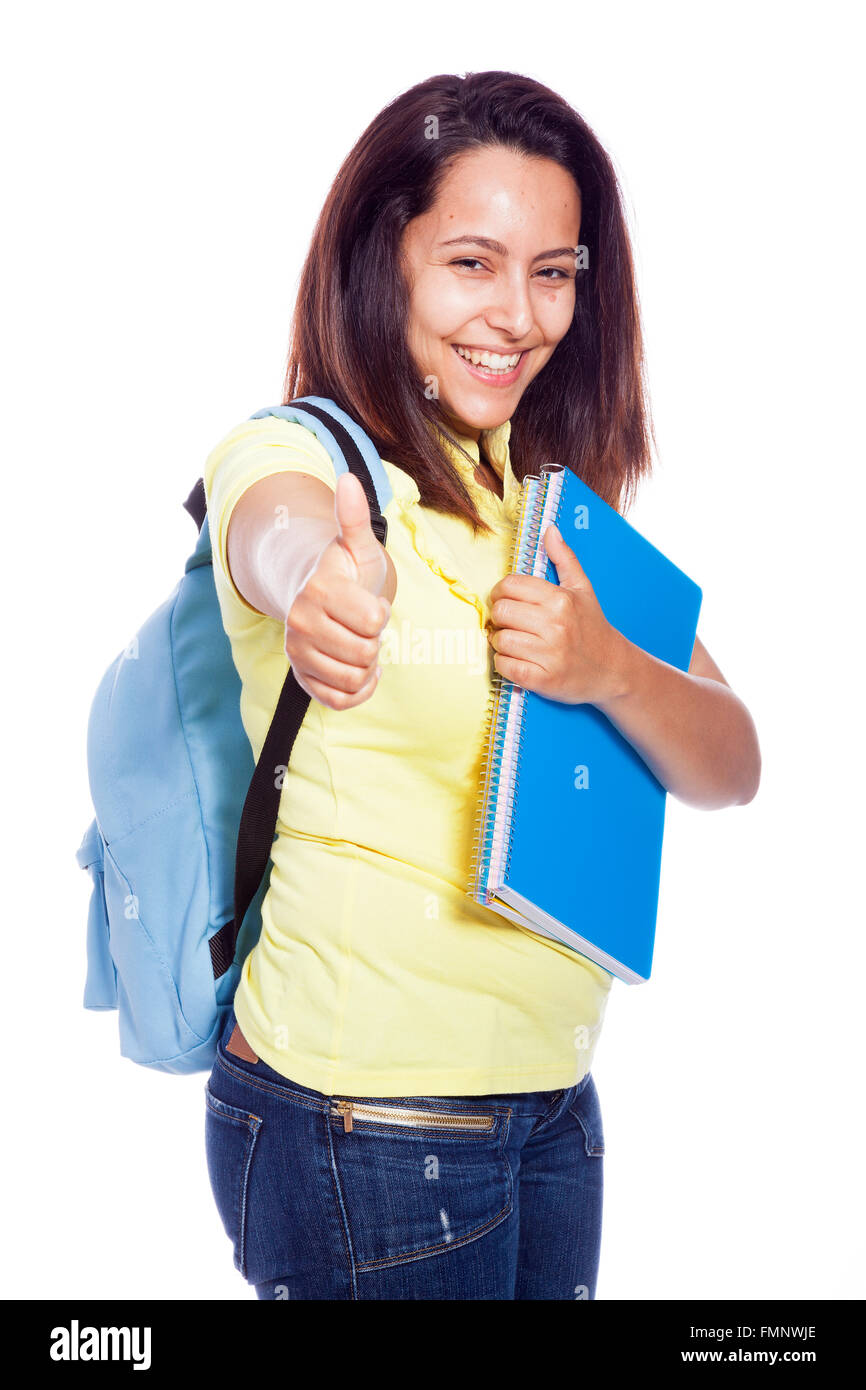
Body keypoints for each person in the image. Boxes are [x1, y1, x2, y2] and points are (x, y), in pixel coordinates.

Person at [202, 69, 761, 1301]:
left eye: (553, 271)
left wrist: (608, 666)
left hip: (554, 1110)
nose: (519, 314)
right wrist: (311, 592)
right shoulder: (304, 456)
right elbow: (272, 527)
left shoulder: (548, 507)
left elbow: (731, 763)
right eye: (471, 263)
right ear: (381, 261)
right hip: (364, 1119)